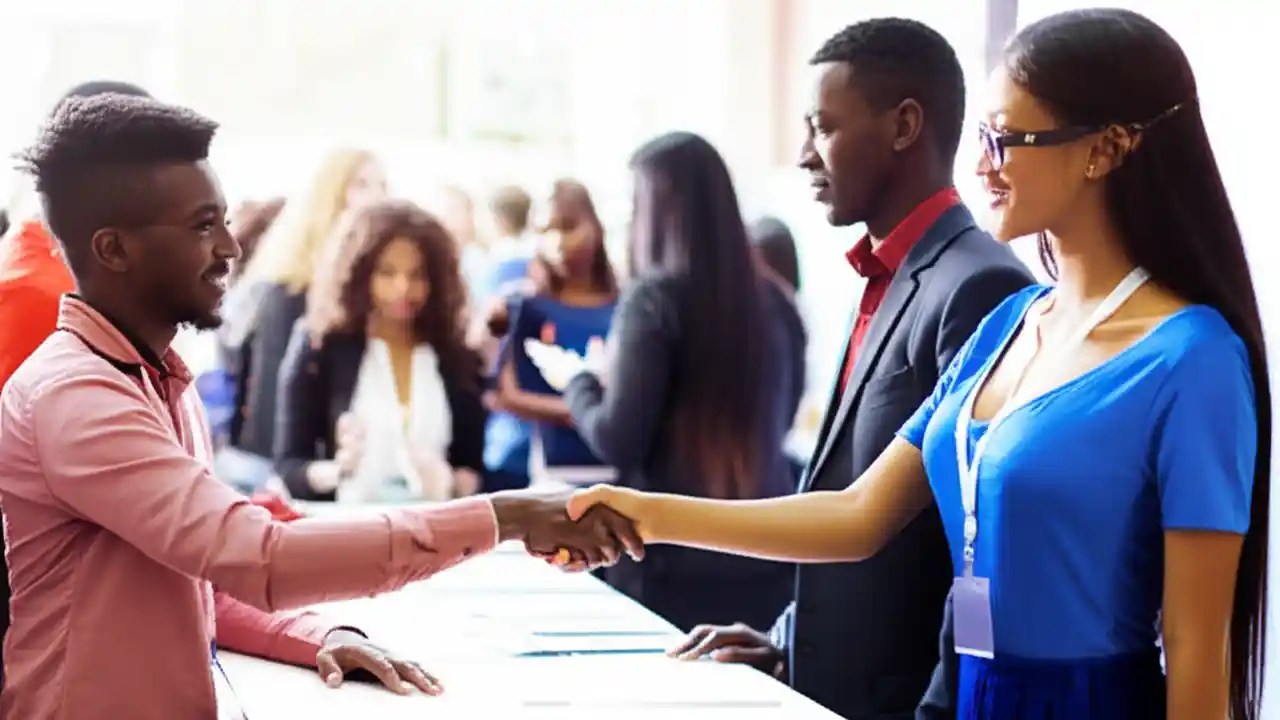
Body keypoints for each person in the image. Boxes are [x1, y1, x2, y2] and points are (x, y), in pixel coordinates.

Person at [566, 8, 1269, 719]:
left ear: (1105, 149)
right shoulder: (1008, 325)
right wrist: (635, 512)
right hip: (972, 693)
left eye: (1003, 140)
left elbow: (1196, 649)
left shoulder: (1193, 360)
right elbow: (856, 515)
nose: (982, 166)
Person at [0, 92, 641, 720]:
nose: (230, 247)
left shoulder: (155, 378)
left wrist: (317, 635)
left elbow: (197, 578)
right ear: (114, 250)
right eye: (202, 226)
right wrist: (505, 517)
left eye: (223, 220)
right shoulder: (77, 396)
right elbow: (259, 557)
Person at [659, 20, 1029, 720]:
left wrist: (946, 705)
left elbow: (978, 552)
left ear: (904, 126)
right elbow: (842, 487)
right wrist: (788, 642)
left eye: (823, 127)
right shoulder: (888, 274)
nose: (805, 155)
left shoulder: (979, 285)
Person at [528, 132, 806, 633]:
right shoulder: (777, 301)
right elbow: (781, 420)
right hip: (765, 556)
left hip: (667, 558)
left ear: (654, 211)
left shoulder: (654, 300)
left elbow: (618, 436)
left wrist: (579, 381)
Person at [274, 199, 486, 502]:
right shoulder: (320, 345)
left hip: (436, 523)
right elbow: (289, 466)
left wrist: (449, 481)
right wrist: (337, 469)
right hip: (346, 523)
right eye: (386, 273)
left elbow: (473, 468)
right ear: (359, 273)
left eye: (417, 275)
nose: (403, 288)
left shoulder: (455, 355)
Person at [227, 148, 387, 460]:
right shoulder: (289, 292)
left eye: (382, 185)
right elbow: (272, 407)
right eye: (362, 185)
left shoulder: (370, 293)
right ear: (331, 195)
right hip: (282, 465)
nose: (377, 196)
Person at [487, 179, 619, 489]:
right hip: (546, 473)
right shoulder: (523, 306)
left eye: (568, 227)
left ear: (595, 226)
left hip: (620, 473)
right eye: (545, 231)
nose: (557, 242)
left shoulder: (629, 305)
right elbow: (503, 393)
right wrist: (586, 410)